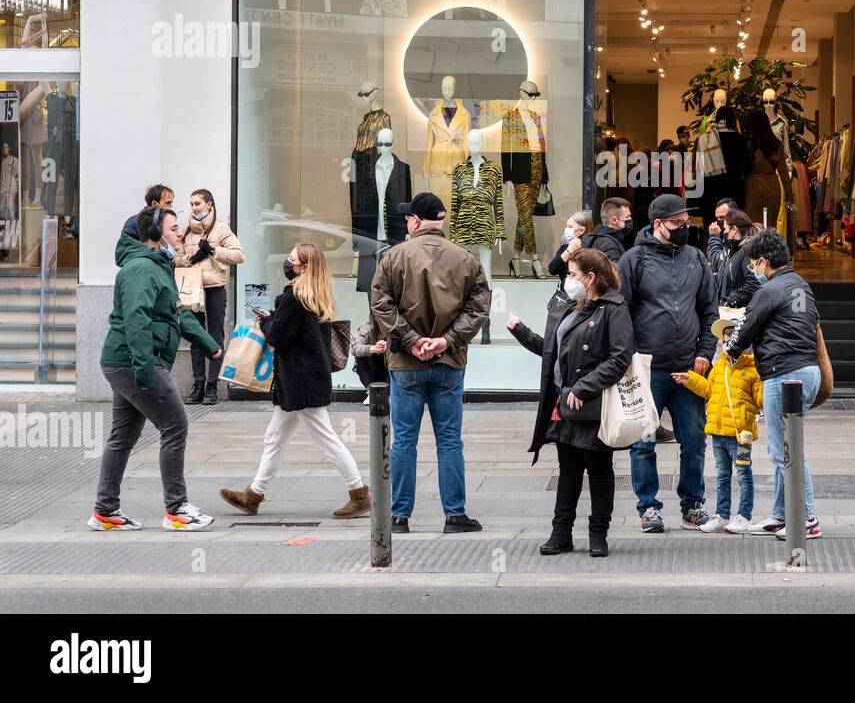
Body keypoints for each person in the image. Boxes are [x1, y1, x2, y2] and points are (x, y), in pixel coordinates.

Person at [89, 206, 222, 531]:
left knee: (122, 437)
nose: (180, 233)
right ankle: (176, 509)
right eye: (174, 228)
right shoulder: (142, 270)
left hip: (127, 362)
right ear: (154, 236)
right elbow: (136, 319)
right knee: (175, 426)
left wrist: (211, 346)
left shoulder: (156, 266)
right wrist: (145, 370)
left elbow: (176, 312)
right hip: (135, 362)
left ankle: (105, 510)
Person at [219, 243, 371, 519]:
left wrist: (266, 323)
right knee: (274, 438)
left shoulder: (294, 297)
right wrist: (276, 320)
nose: (287, 262)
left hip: (300, 383)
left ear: (305, 267)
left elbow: (278, 336)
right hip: (301, 381)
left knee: (327, 440)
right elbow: (294, 330)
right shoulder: (315, 295)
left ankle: (359, 493)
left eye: (292, 259)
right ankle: (253, 494)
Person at [370, 192, 491, 534]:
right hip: (449, 362)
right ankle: (455, 515)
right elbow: (478, 307)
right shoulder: (466, 259)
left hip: (407, 365)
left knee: (404, 439)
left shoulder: (394, 256)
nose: (407, 222)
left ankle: (399, 517)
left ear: (417, 221)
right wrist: (446, 341)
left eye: (409, 217)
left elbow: (381, 303)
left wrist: (411, 340)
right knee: (450, 439)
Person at [507, 248, 634, 557]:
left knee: (599, 469)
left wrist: (583, 387)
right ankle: (560, 532)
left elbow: (619, 358)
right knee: (568, 470)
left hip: (592, 403)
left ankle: (597, 534)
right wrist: (522, 333)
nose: (569, 280)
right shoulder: (574, 306)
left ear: (590, 277)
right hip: (564, 403)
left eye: (574, 275)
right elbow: (553, 351)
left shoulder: (614, 308)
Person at [618, 193, 717, 533]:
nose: (684, 228)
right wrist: (630, 359)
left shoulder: (697, 259)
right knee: (643, 442)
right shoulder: (633, 260)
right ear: (658, 225)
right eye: (677, 224)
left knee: (695, 439)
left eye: (686, 223)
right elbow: (621, 315)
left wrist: (705, 352)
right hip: (647, 368)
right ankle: (648, 508)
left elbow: (709, 312)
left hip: (690, 368)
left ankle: (692, 505)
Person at [725, 228, 822, 540]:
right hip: (807, 371)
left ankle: (806, 518)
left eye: (754, 264)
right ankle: (782, 514)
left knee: (787, 451)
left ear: (764, 262)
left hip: (783, 374)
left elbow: (746, 329)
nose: (753, 270)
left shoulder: (768, 290)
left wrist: (730, 350)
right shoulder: (800, 285)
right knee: (788, 444)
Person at [676, 317, 764, 534]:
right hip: (717, 431)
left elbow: (761, 400)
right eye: (725, 340)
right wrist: (691, 380)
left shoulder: (753, 370)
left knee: (743, 474)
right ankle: (722, 515)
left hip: (740, 434)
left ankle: (744, 515)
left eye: (733, 339)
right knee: (722, 474)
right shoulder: (719, 367)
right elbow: (709, 390)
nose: (728, 345)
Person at [175, 188, 245, 405]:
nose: (194, 208)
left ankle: (212, 386)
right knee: (196, 338)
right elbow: (175, 259)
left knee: (215, 337)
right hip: (192, 291)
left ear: (209, 205)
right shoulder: (187, 231)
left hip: (214, 289)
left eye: (198, 203)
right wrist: (192, 258)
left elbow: (239, 255)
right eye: (192, 204)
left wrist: (213, 251)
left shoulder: (221, 229)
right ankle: (197, 386)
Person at [712, 209, 760, 309]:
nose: (724, 232)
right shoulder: (731, 252)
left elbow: (754, 282)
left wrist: (730, 301)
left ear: (734, 229)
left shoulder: (748, 252)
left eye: (725, 229)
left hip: (738, 314)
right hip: (727, 311)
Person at [582, 196, 631, 263]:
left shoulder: (599, 237)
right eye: (627, 217)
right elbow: (616, 272)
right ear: (614, 220)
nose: (630, 219)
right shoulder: (609, 245)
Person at [547, 210, 595, 276]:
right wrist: (569, 251)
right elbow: (552, 269)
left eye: (570, 227)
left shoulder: (593, 247)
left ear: (582, 230)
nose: (566, 229)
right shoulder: (565, 247)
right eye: (566, 226)